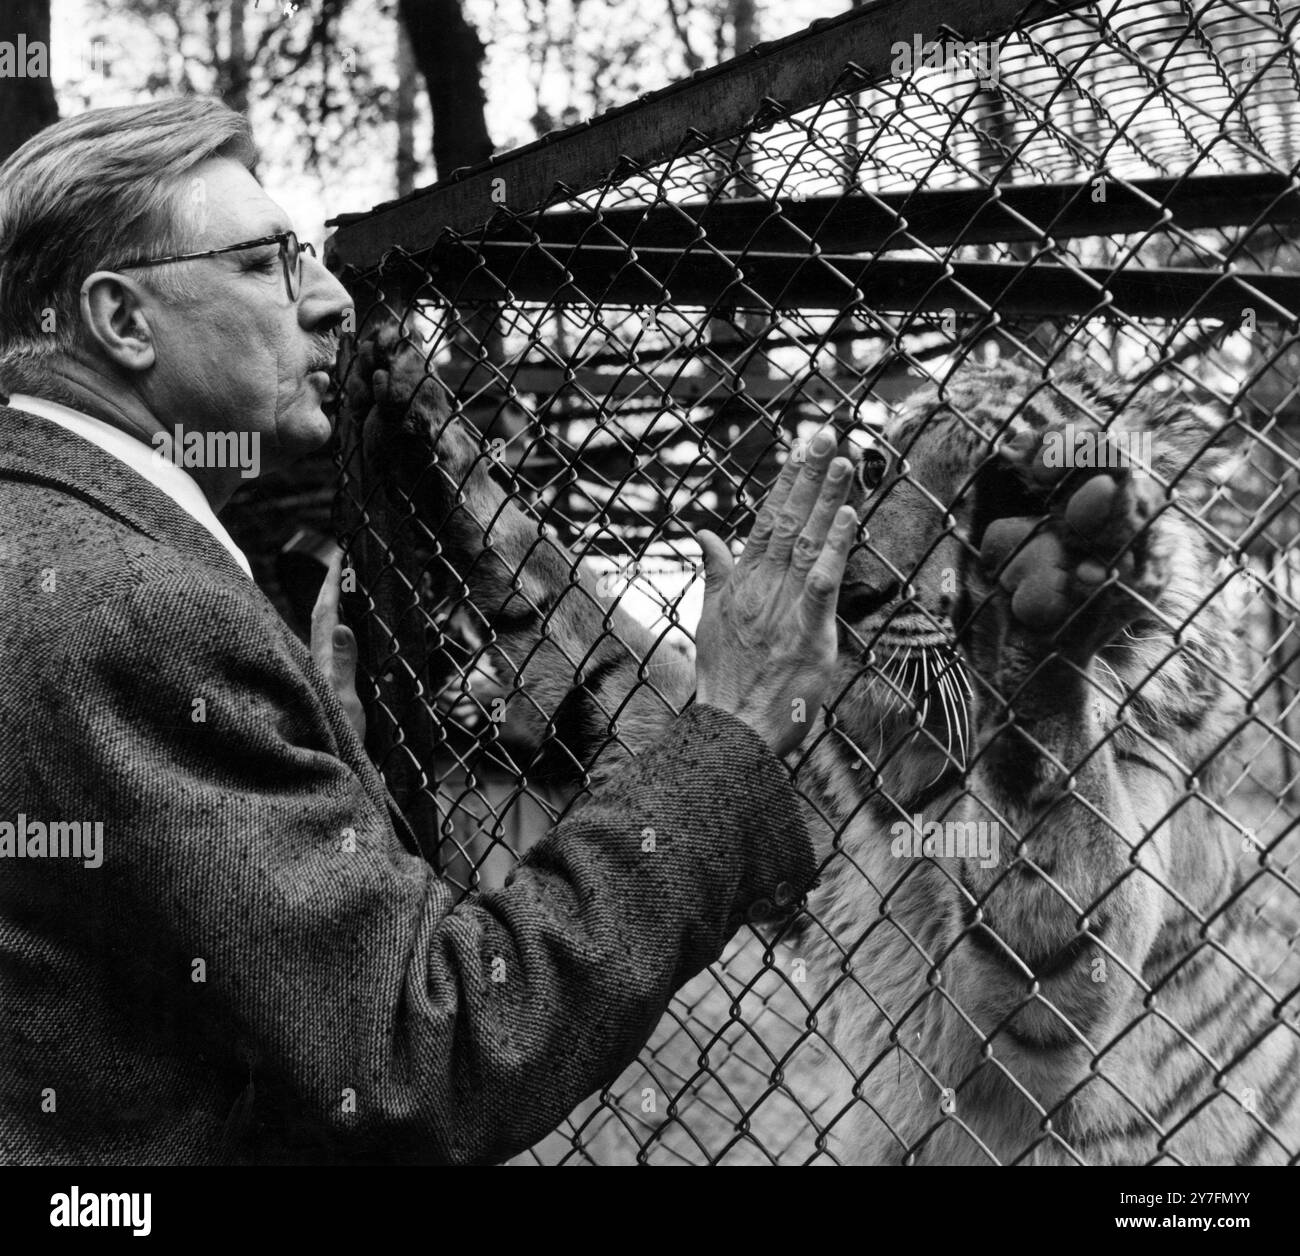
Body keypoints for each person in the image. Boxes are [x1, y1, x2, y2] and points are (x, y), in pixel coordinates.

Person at [0, 98, 857, 1165]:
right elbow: (416, 1057)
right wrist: (728, 730)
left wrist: (302, 759)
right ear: (123, 320)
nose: (330, 299)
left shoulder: (46, 538)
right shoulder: (138, 603)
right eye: (267, 263)